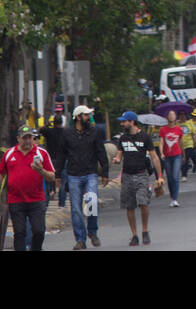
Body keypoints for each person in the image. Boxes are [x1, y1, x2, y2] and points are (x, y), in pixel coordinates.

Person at [0, 127, 55, 251]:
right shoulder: (9, 154)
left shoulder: (41, 153)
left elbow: (52, 176)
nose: (27, 141)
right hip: (16, 200)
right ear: (18, 139)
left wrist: (41, 171)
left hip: (36, 199)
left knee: (39, 231)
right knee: (19, 232)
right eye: (24, 138)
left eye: (29, 138)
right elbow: (0, 172)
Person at [57, 104, 110, 250]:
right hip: (73, 175)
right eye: (86, 115)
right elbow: (61, 154)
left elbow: (101, 152)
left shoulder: (94, 132)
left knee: (92, 201)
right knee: (75, 209)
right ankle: (80, 239)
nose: (89, 117)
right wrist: (57, 175)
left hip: (90, 173)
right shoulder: (67, 133)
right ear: (78, 117)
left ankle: (92, 232)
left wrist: (105, 172)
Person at [114, 112, 163, 247]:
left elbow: (154, 157)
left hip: (142, 174)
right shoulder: (123, 138)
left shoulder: (145, 137)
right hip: (127, 176)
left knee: (143, 202)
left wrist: (160, 176)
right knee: (129, 206)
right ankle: (134, 234)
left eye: (124, 121)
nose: (122, 124)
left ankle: (145, 230)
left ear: (132, 122)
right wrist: (117, 160)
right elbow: (119, 155)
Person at [157, 110, 184, 207]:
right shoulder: (163, 129)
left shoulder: (179, 129)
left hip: (177, 155)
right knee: (170, 178)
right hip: (167, 156)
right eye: (170, 115)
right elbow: (161, 142)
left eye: (173, 115)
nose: (171, 116)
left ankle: (175, 198)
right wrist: (161, 153)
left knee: (175, 177)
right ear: (167, 117)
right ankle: (172, 197)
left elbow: (181, 143)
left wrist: (183, 154)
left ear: (176, 117)